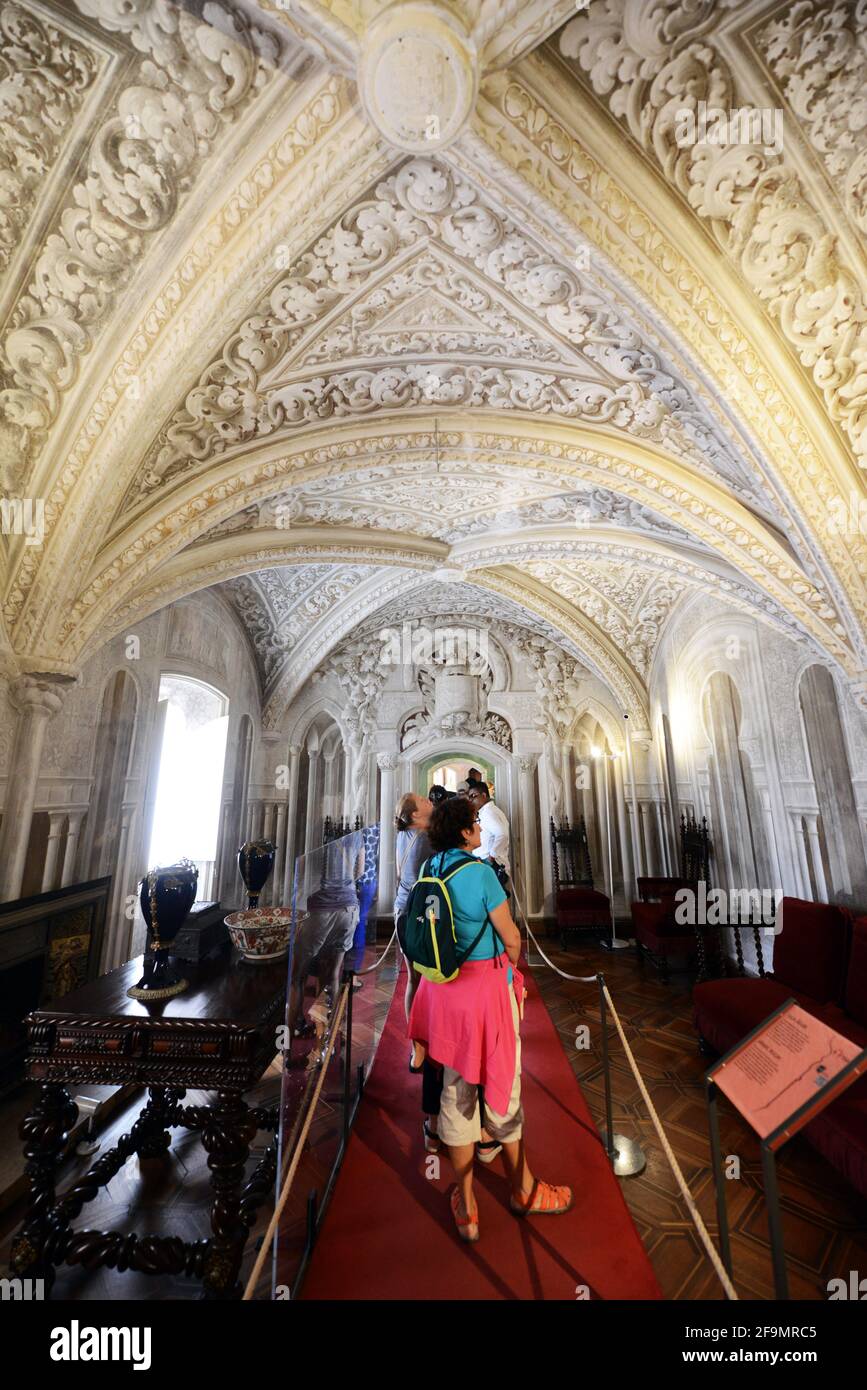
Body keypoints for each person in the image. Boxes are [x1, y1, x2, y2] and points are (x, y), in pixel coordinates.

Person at [408, 797, 572, 1242]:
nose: (479, 826)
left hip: (441, 992)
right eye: (474, 822)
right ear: (463, 832)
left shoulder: (431, 869)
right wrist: (511, 970)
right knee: (504, 1087)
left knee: (456, 1092)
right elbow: (512, 937)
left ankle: (466, 1201)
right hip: (483, 993)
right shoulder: (480, 873)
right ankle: (522, 1188)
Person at [394, 792, 441, 1153]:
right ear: (414, 815)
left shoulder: (404, 836)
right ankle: (423, 1045)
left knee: (415, 980)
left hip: (403, 910)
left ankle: (418, 1048)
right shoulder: (423, 838)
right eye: (423, 800)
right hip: (418, 913)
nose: (428, 799)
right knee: (424, 980)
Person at [466, 780, 511, 877]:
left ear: (483, 795)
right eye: (469, 797)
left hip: (492, 863)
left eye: (473, 796)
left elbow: (502, 834)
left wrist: (491, 857)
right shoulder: (487, 811)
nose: (470, 800)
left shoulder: (488, 813)